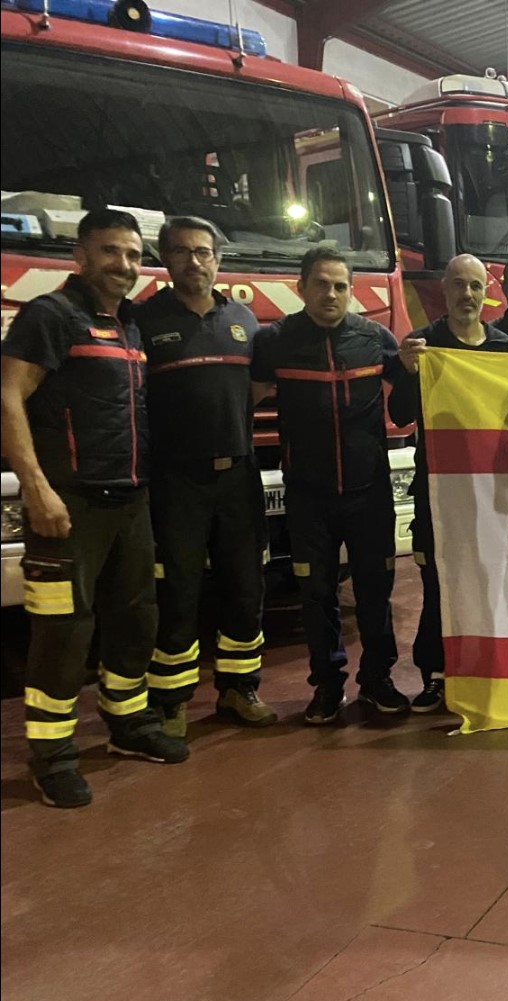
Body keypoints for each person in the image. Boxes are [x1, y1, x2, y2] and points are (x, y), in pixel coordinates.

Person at [1, 209, 188, 808]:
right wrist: (35, 487)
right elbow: (8, 398)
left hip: (130, 500)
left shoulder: (128, 324)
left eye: (134, 255)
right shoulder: (50, 317)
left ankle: (128, 725)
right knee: (63, 632)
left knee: (135, 619)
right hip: (70, 505)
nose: (124, 266)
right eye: (111, 252)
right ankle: (52, 757)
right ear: (80, 256)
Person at [251, 248, 412, 724]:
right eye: (321, 284)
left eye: (341, 286)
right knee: (316, 595)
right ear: (301, 288)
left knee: (374, 591)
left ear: (351, 291)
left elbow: (408, 395)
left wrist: (413, 365)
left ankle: (378, 681)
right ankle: (326, 687)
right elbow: (243, 401)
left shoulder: (374, 338)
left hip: (369, 494)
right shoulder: (276, 342)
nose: (331, 294)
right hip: (309, 496)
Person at [134, 216, 275, 738]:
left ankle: (239, 689)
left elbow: (255, 389)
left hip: (238, 476)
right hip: (177, 482)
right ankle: (170, 701)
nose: (194, 261)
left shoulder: (242, 318)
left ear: (218, 259)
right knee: (178, 591)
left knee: (245, 585)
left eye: (203, 252)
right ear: (165, 259)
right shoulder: (144, 320)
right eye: (182, 252)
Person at [395, 255, 508, 712]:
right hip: (439, 492)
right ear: (443, 291)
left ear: (485, 292)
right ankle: (435, 674)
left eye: (474, 286)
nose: (466, 296)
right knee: (437, 582)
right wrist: (407, 373)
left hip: (494, 493)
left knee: (496, 580)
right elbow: (400, 416)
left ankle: (493, 667)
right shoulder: (423, 347)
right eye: (458, 287)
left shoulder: (506, 351)